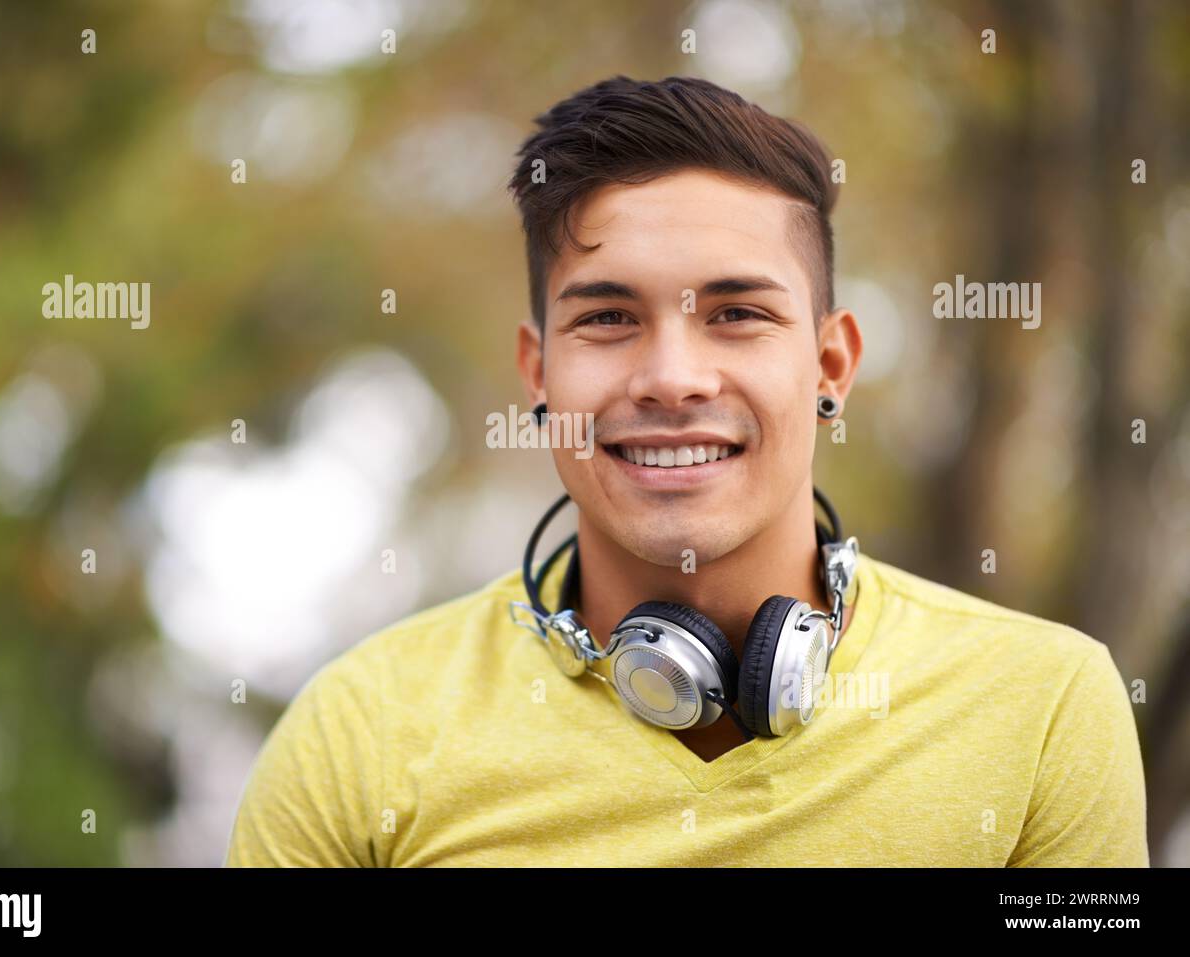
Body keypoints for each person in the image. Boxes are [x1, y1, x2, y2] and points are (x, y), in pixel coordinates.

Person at [225, 75, 1148, 867]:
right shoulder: (361, 733)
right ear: (538, 371)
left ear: (831, 366)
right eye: (608, 318)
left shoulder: (1043, 706)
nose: (671, 378)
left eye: (738, 312)